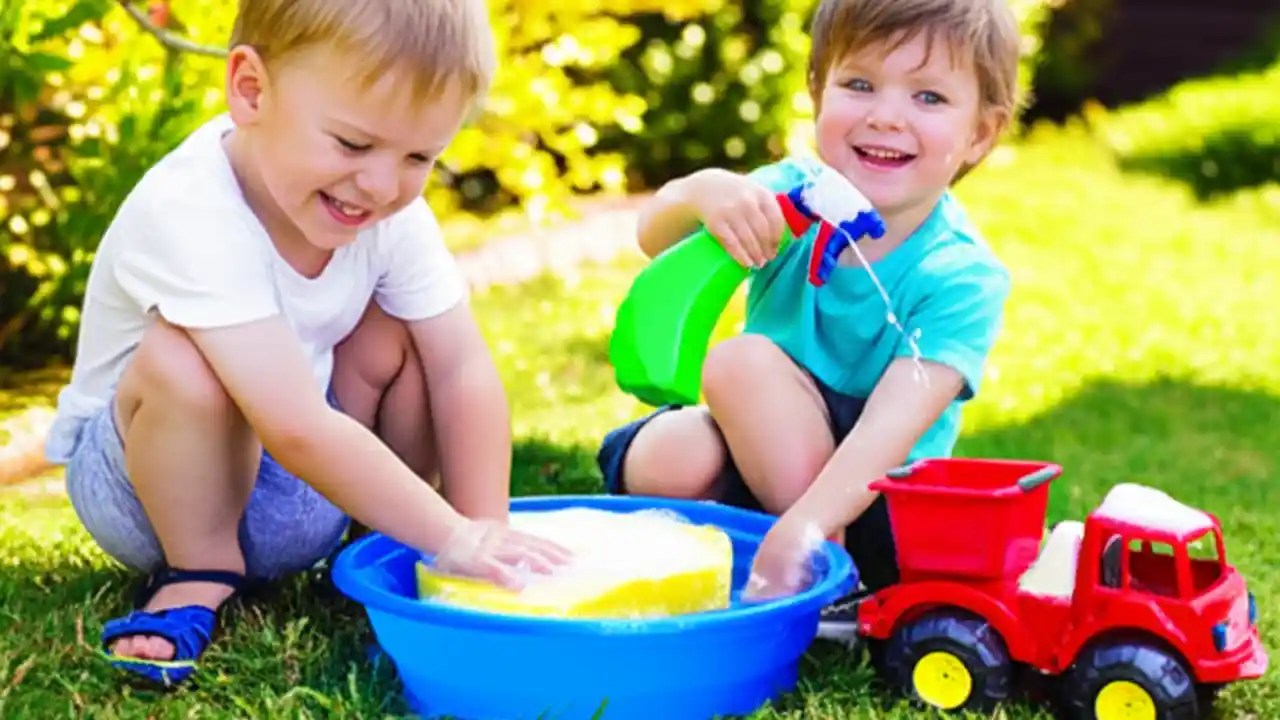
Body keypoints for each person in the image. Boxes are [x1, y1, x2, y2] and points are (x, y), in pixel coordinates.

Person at [45, 0, 569, 686]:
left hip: (303, 478)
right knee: (184, 354)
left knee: (409, 333)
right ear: (251, 89)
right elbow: (292, 423)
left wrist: (485, 530)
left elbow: (461, 366)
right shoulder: (190, 208)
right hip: (148, 488)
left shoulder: (387, 212)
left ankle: (379, 544)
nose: (381, 185)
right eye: (353, 145)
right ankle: (198, 573)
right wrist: (453, 537)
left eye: (419, 156)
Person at [597, 0, 1019, 639]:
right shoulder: (791, 194)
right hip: (760, 447)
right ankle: (725, 559)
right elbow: (659, 242)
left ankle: (828, 576)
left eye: (928, 97)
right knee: (669, 454)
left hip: (878, 502)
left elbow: (888, 431)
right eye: (859, 85)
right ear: (818, 92)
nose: (886, 115)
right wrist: (702, 191)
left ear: (980, 134)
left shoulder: (959, 276)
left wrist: (809, 527)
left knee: (742, 359)